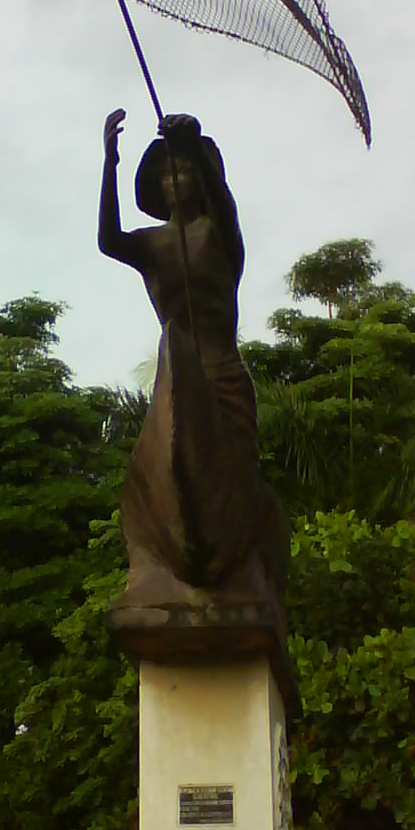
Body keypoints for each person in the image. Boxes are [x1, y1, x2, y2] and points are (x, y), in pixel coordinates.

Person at [99, 109, 286, 606]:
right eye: (165, 173)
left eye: (181, 170)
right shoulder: (150, 244)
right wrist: (109, 162)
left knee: (240, 472)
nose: (172, 180)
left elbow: (226, 208)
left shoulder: (218, 236)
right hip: (179, 378)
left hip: (223, 372)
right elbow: (108, 240)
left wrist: (197, 143)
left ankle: (246, 559)